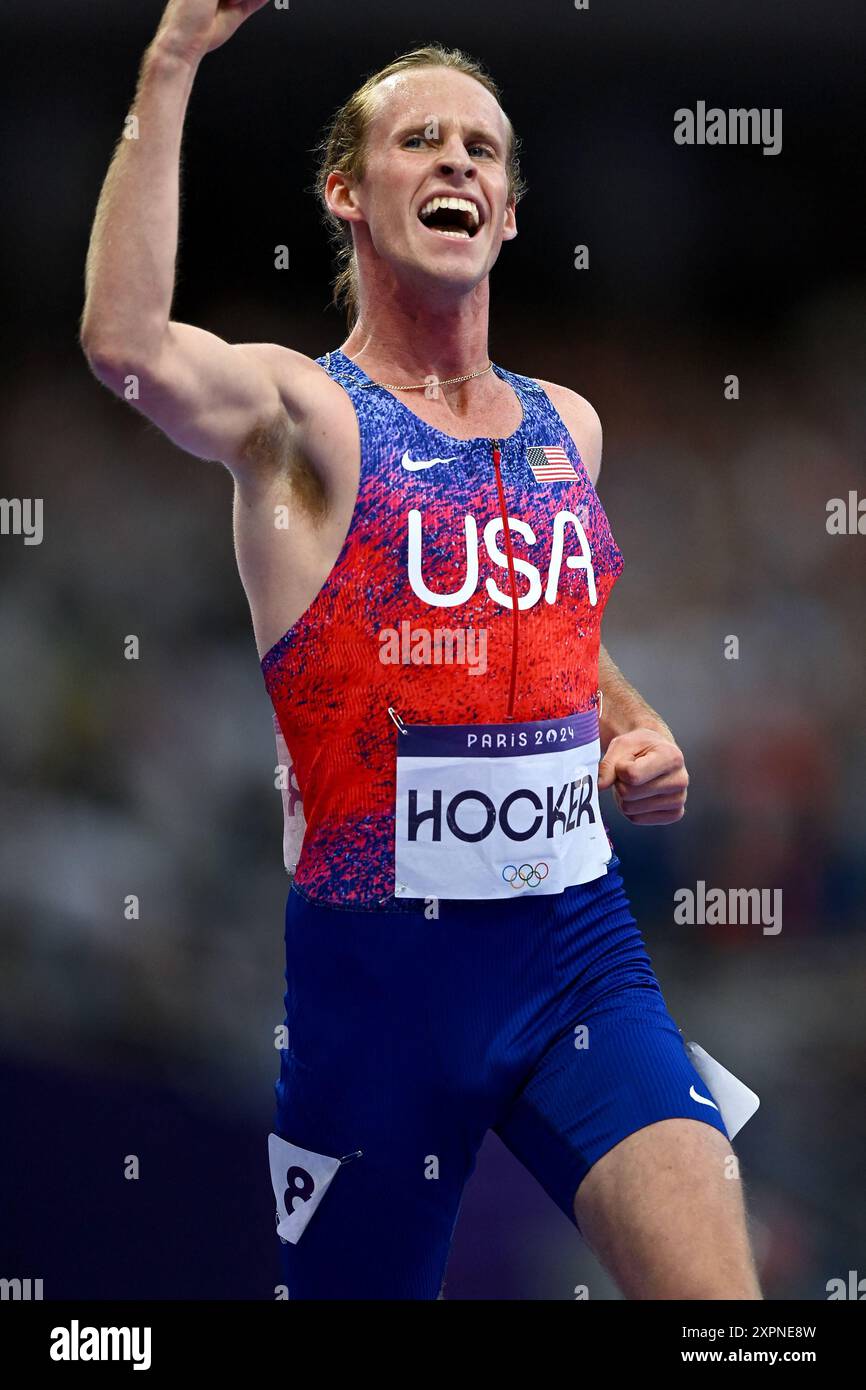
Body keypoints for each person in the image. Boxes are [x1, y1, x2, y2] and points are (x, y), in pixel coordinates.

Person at [81, 0, 763, 1300]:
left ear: (506, 213)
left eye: (481, 148)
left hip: (577, 952)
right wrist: (169, 63)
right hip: (377, 993)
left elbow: (563, 634)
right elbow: (124, 350)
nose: (455, 161)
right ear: (345, 190)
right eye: (419, 141)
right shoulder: (303, 419)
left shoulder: (571, 427)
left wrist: (635, 719)